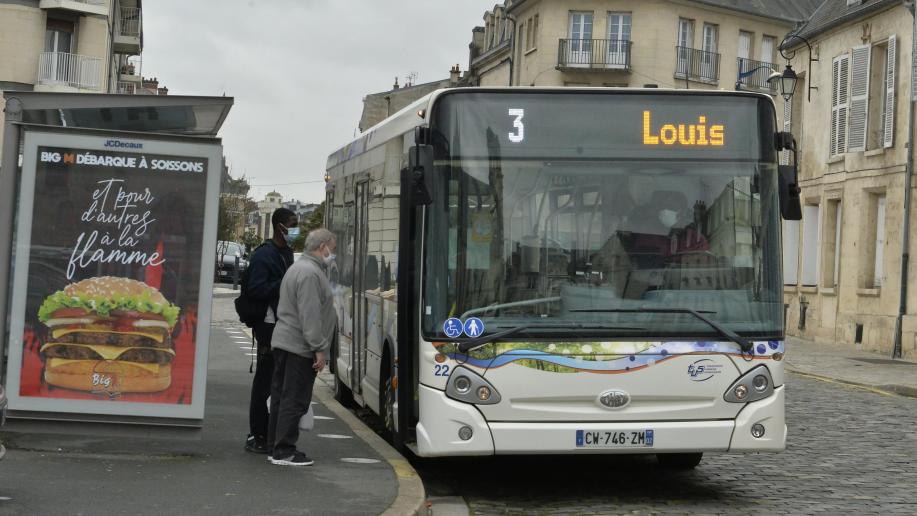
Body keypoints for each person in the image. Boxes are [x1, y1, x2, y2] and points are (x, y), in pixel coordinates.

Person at [267, 228, 337, 466]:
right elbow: (311, 314)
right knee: (294, 399)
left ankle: (274, 445)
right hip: (299, 345)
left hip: (286, 341)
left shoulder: (298, 268)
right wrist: (319, 348)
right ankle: (285, 449)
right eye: (332, 249)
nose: (332, 253)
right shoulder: (310, 273)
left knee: (280, 396)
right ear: (322, 247)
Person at [243, 208, 298, 454]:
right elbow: (256, 289)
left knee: (276, 381)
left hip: (280, 323)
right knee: (265, 381)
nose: (296, 229)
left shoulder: (285, 252)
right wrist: (285, 283)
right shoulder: (264, 255)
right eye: (292, 224)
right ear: (280, 227)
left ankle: (268, 432)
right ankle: (258, 433)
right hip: (267, 326)